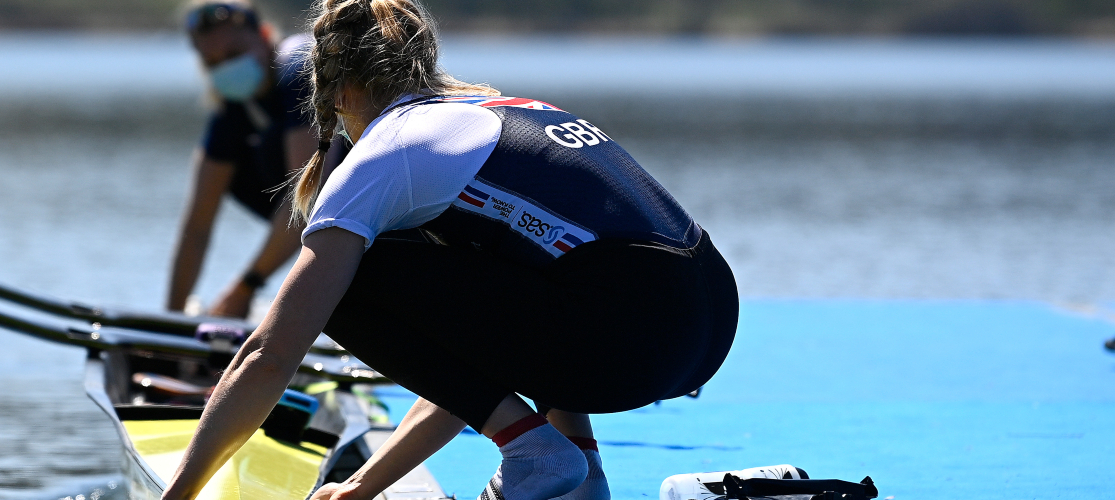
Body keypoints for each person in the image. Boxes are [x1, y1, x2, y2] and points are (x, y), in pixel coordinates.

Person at [160, 1, 739, 499]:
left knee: (344, 286)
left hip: (636, 334)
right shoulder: (498, 107)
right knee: (542, 270)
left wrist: (179, 492)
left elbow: (270, 352)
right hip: (706, 321)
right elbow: (473, 362)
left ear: (335, 91)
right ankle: (578, 470)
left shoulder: (390, 147)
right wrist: (366, 484)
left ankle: (539, 456)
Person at [168, 1, 318, 318]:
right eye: (212, 63)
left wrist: (244, 288)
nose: (225, 68)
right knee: (226, 162)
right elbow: (196, 228)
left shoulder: (300, 68)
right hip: (330, 230)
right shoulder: (235, 111)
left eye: (234, 54)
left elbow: (306, 202)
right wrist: (170, 323)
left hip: (391, 221)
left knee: (267, 149)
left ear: (264, 35)